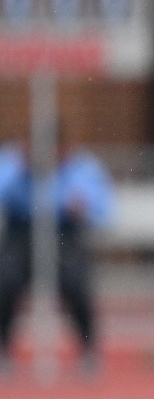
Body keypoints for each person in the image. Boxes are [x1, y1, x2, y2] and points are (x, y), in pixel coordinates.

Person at [0, 134, 115, 368]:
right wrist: (25, 174)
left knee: (76, 284)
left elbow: (103, 210)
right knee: (6, 282)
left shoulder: (83, 167)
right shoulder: (12, 163)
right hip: (21, 233)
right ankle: (3, 350)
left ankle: (88, 351)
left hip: (64, 235)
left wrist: (81, 207)